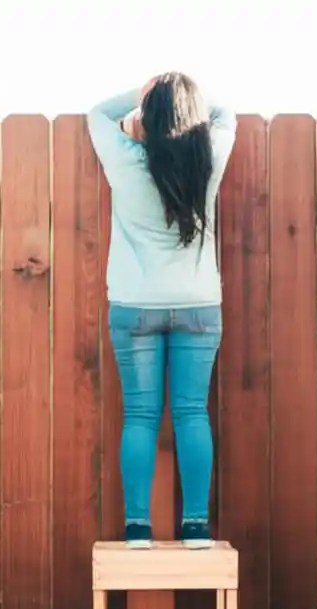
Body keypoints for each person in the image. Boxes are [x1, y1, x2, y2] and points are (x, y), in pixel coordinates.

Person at [88, 74, 237, 550]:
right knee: (193, 412)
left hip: (134, 304)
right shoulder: (208, 159)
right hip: (198, 304)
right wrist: (183, 102)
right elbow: (224, 113)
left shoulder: (125, 161)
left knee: (140, 415)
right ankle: (196, 526)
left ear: (147, 119)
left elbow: (96, 114)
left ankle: (137, 528)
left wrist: (141, 96)